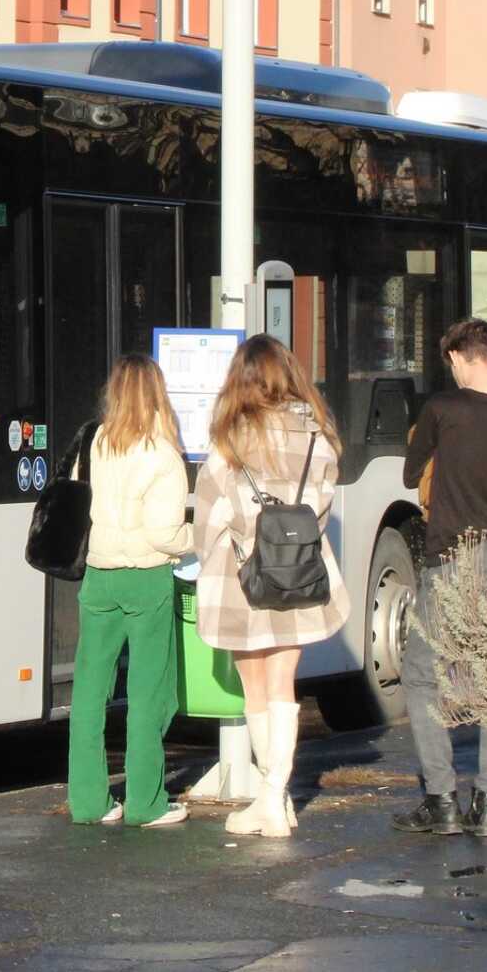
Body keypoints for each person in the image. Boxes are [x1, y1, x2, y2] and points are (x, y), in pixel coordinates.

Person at [190, 335, 348, 839]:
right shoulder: (318, 437)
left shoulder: (230, 440)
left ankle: (271, 798)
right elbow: (319, 510)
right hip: (299, 573)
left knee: (254, 690)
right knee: (284, 687)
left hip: (243, 577)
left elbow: (210, 522)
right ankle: (274, 797)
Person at [393, 317, 487, 839]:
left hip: (452, 556)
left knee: (422, 672)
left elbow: (412, 475)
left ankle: (441, 799)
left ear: (457, 358)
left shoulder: (443, 409)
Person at [67, 354, 193, 829]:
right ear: (157, 394)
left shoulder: (98, 441)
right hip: (146, 578)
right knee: (148, 694)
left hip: (99, 576)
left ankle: (89, 801)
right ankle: (146, 802)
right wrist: (196, 539)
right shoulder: (163, 455)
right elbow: (164, 534)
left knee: (89, 693)